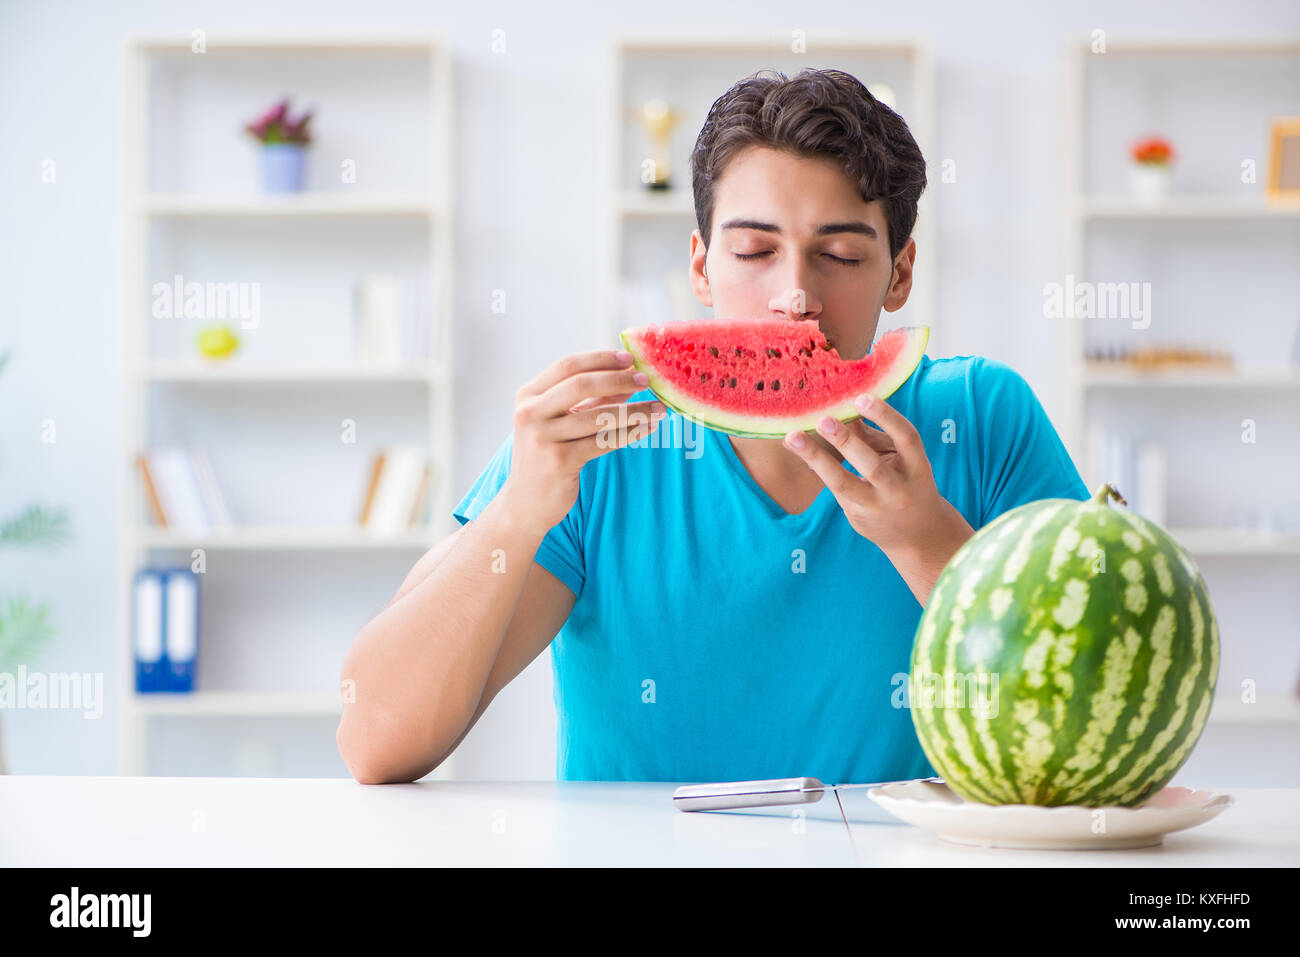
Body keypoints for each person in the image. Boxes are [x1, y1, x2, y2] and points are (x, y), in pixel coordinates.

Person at [337, 68, 1088, 786]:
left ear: (900, 272)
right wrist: (515, 514)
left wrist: (928, 544)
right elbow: (375, 741)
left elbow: (1084, 738)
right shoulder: (600, 444)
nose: (795, 295)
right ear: (699, 267)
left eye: (841, 254)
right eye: (754, 250)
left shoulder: (983, 420)